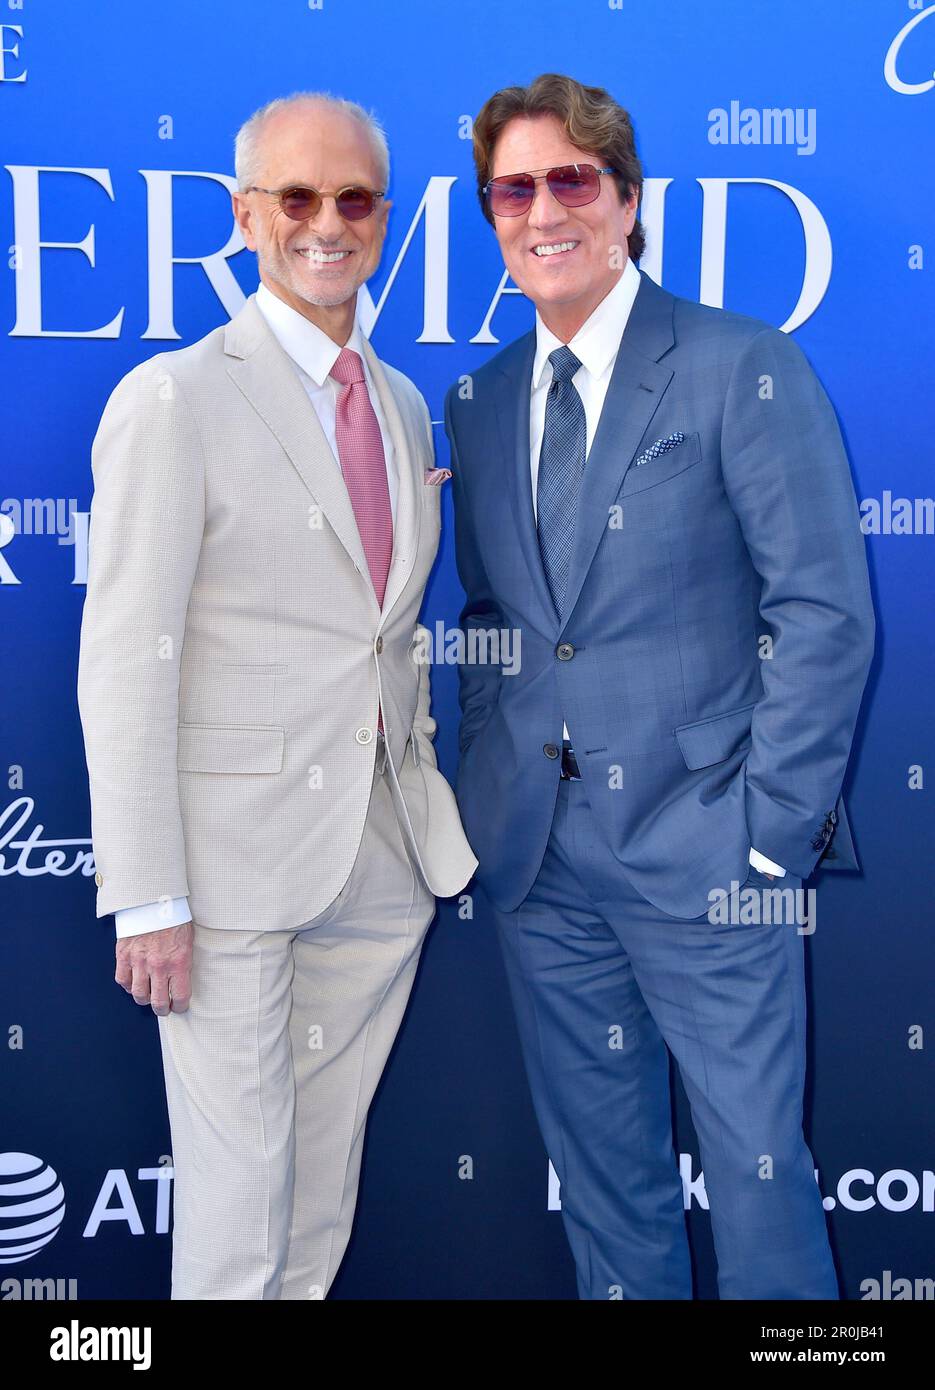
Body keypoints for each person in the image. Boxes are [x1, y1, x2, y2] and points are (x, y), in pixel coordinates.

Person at [446, 72, 874, 1299]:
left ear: (627, 201)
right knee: (604, 1191)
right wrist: (490, 788)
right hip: (540, 866)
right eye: (511, 189)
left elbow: (822, 612)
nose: (543, 211)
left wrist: (764, 842)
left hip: (710, 859)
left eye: (569, 180)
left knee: (754, 1179)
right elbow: (491, 620)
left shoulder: (739, 364)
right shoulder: (475, 406)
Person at [77, 91, 476, 1300]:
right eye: (295, 199)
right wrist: (146, 891)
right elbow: (125, 655)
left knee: (313, 1204)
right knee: (239, 1221)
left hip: (377, 860)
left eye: (352, 199)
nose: (325, 224)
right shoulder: (177, 397)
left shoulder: (401, 402)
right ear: (246, 217)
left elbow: (376, 634)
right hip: (229, 873)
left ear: (385, 217)